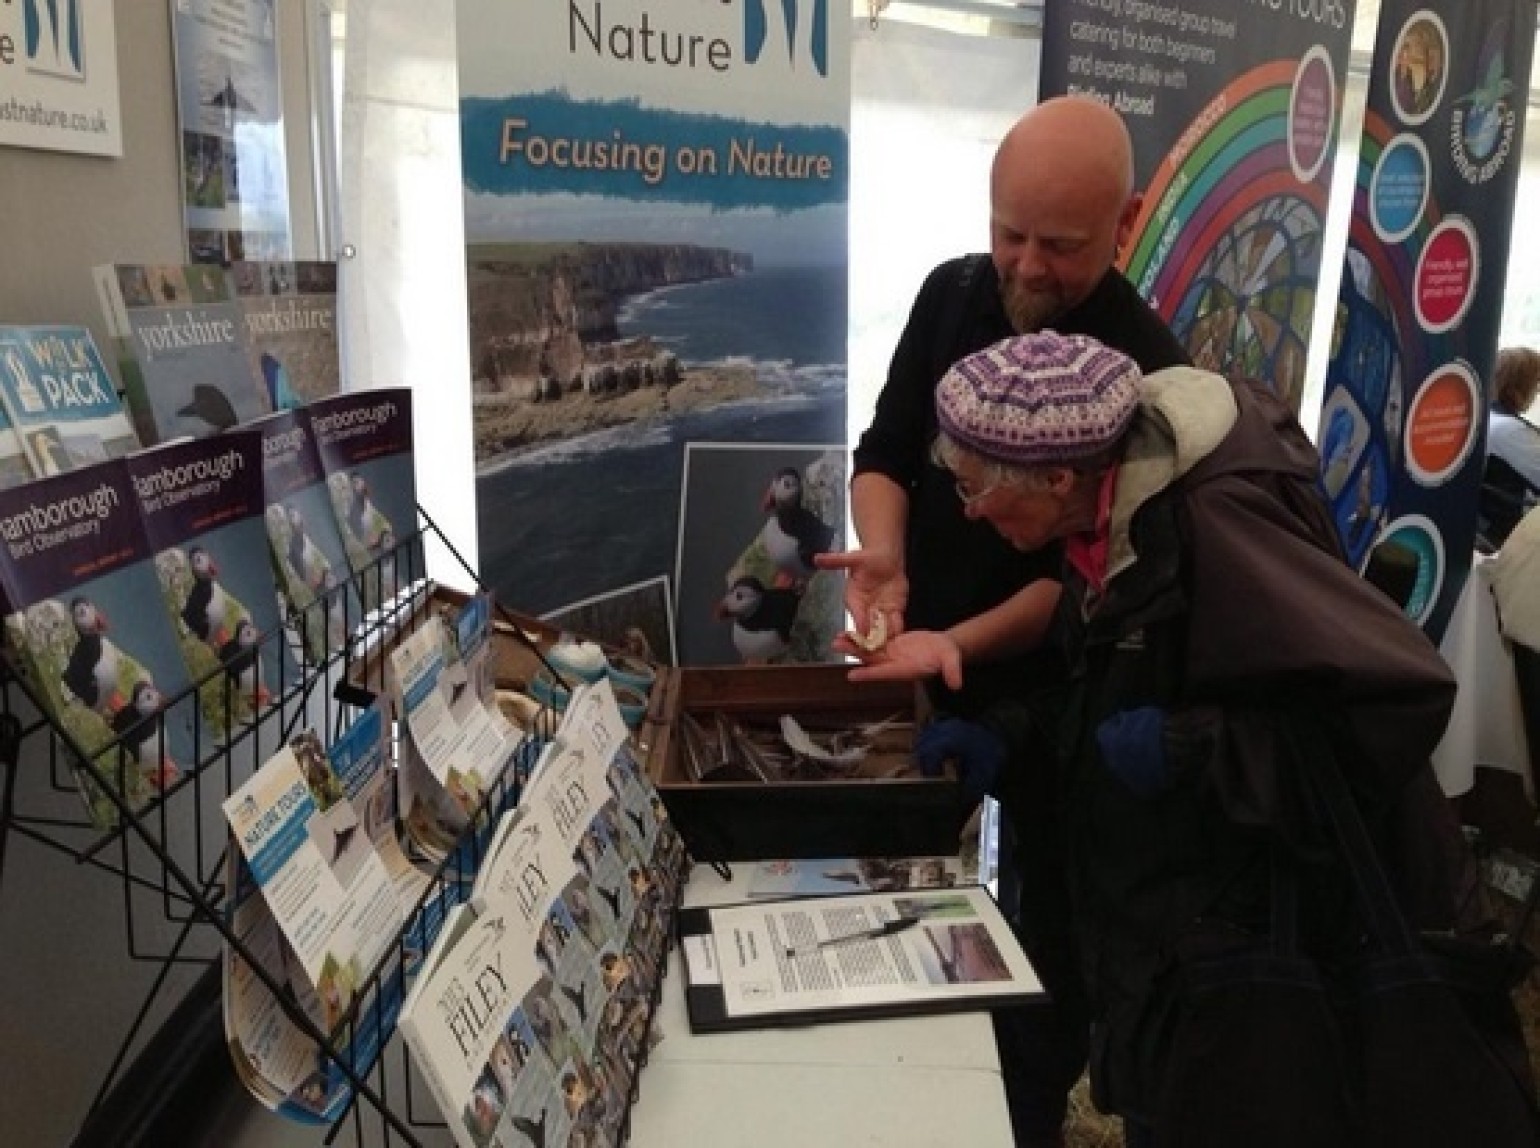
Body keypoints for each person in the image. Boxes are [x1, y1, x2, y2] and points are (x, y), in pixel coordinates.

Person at [846, 330, 1488, 1144]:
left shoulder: (1215, 523)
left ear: (1056, 475)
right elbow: (1114, 692)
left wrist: (1194, 749)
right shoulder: (1109, 526)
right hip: (1173, 943)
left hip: (1250, 969)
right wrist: (1011, 737)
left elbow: (1390, 706)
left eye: (975, 490)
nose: (969, 513)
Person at [817, 95, 1188, 1145]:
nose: (1024, 267)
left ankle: (1016, 1109)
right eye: (1007, 232)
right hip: (928, 657)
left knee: (1046, 939)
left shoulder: (1149, 374)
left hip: (1065, 706)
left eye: (1060, 246)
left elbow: (1083, 582)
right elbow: (885, 449)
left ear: (1122, 229)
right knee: (914, 900)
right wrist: (885, 552)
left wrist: (963, 645)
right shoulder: (952, 294)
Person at [1480, 346, 1540, 549]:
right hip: (1513, 533)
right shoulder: (1511, 431)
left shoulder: (1489, 417)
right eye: (1536, 384)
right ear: (1522, 387)